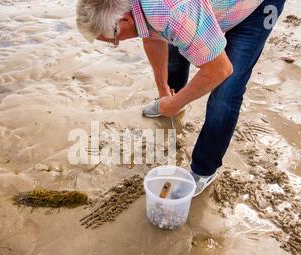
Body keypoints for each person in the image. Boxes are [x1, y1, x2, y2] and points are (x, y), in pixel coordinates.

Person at [76, 0, 286, 196]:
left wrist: (176, 102)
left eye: (114, 40)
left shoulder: (173, 13)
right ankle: (170, 104)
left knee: (226, 92)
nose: (117, 43)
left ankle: (205, 170)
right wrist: (164, 93)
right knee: (176, 50)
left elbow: (220, 69)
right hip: (199, 9)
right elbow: (151, 35)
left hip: (256, 8)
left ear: (125, 20)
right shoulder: (142, 11)